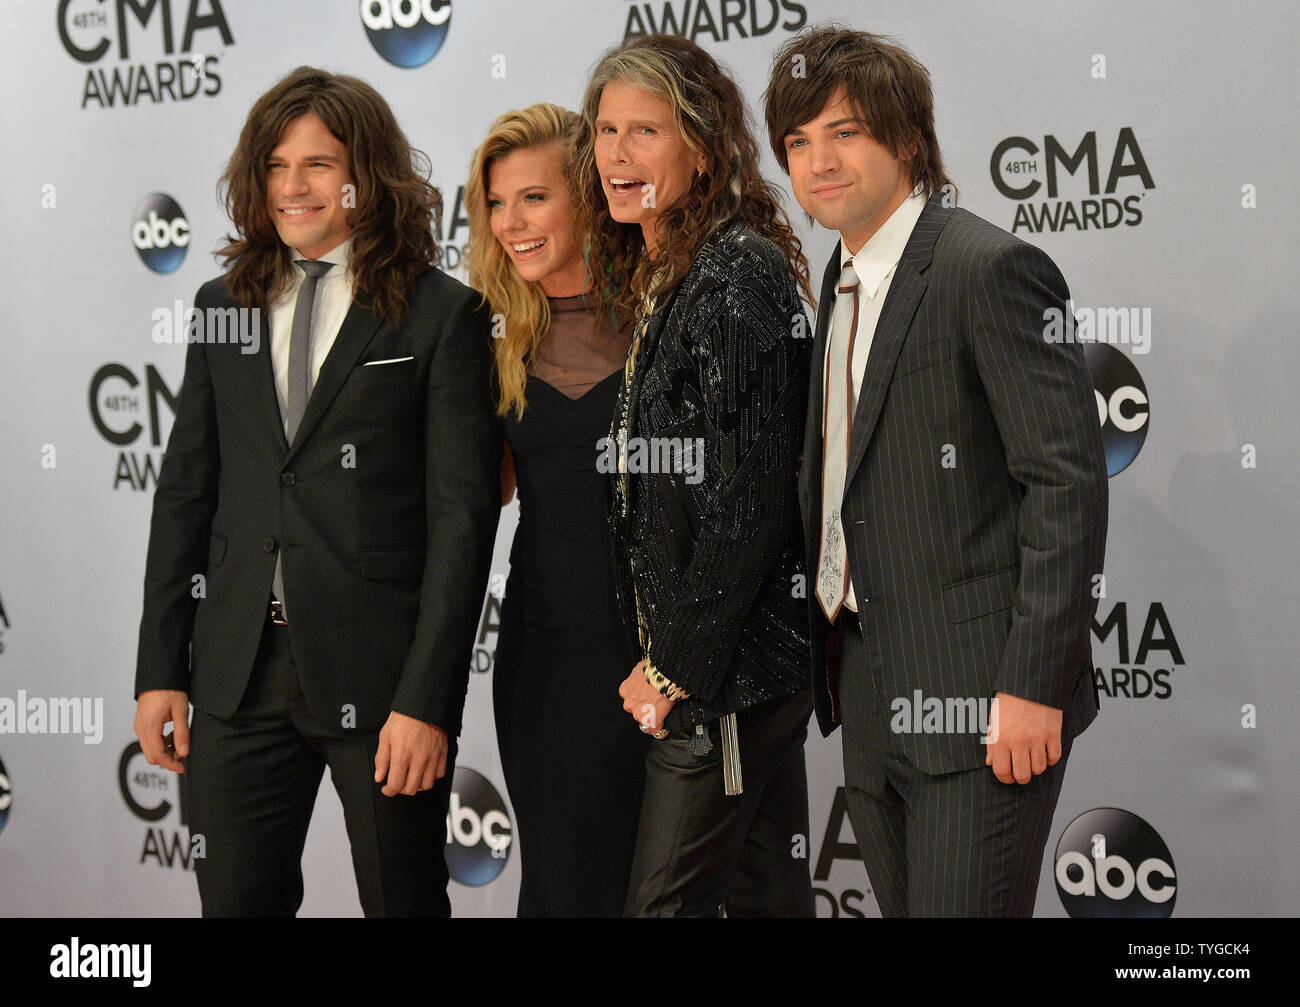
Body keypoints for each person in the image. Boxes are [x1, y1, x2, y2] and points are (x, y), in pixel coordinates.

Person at [131, 66, 501, 917]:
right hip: (235, 677)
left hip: (381, 684)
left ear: (366, 176)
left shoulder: (440, 314)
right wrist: (161, 668)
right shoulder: (221, 304)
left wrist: (425, 701)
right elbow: (185, 493)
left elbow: (461, 519)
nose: (292, 186)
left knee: (404, 904)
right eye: (274, 166)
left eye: (319, 163)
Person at [764, 25, 1109, 916]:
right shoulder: (838, 282)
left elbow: (1064, 484)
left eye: (843, 131)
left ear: (907, 138)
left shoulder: (988, 268)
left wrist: (1034, 684)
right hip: (871, 701)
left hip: (985, 701)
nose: (818, 161)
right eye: (798, 142)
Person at [572, 33, 816, 917]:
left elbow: (749, 505)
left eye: (646, 130)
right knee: (768, 901)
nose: (617, 155)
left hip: (726, 679)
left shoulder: (733, 273)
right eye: (606, 130)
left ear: (704, 147)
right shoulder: (675, 266)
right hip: (729, 673)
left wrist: (675, 666)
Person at [464, 103, 647, 917]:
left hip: (662, 653)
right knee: (564, 887)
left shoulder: (668, 311)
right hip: (543, 655)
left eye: (533, 198)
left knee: (660, 887)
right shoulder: (490, 337)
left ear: (587, 194)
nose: (511, 223)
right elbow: (478, 493)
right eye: (496, 204)